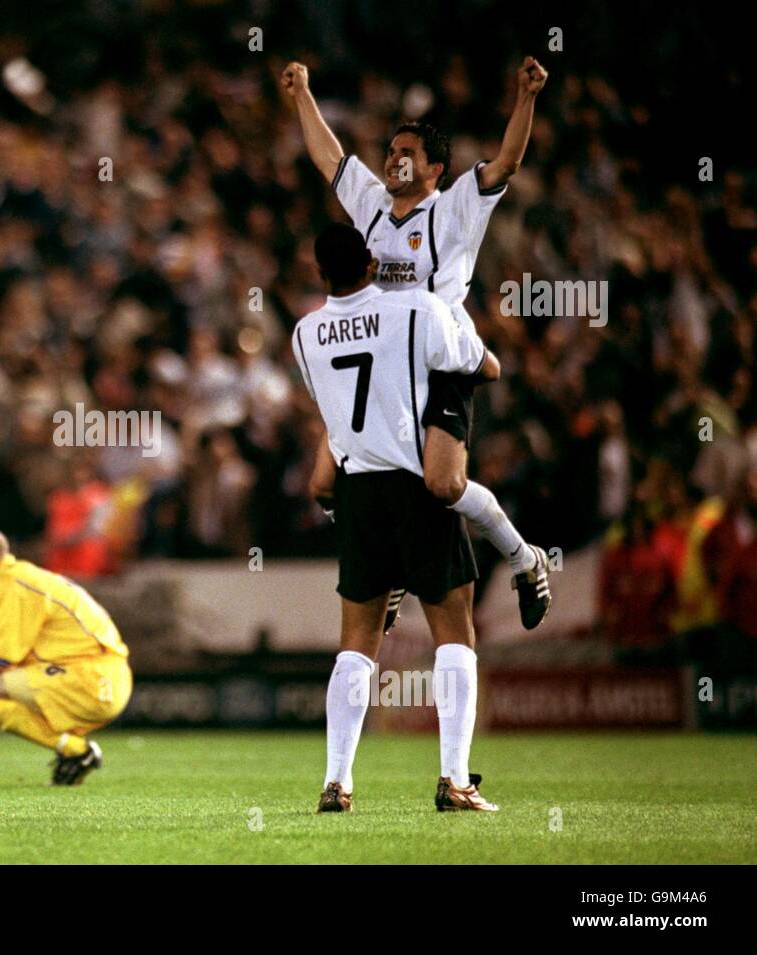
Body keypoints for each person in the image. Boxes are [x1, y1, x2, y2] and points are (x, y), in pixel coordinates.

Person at [283, 57, 551, 631]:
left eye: (408, 152)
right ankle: (394, 569)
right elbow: (328, 158)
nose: (393, 159)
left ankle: (524, 559)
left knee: (442, 484)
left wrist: (525, 97)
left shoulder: (455, 207)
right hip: (383, 364)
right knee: (326, 484)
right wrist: (303, 94)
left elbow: (507, 161)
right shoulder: (372, 206)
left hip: (439, 359)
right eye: (390, 150)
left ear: (435, 168)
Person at [292, 223, 511, 812]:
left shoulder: (304, 333)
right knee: (455, 633)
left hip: (356, 492)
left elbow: (333, 413)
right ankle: (454, 780)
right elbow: (478, 367)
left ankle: (337, 783)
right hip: (414, 487)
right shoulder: (415, 309)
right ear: (371, 262)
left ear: (320, 274)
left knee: (355, 644)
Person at [0, 523, 132, 786]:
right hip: (97, 679)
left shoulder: (14, 586)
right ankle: (74, 754)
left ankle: (77, 752)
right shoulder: (18, 579)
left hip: (92, 678)